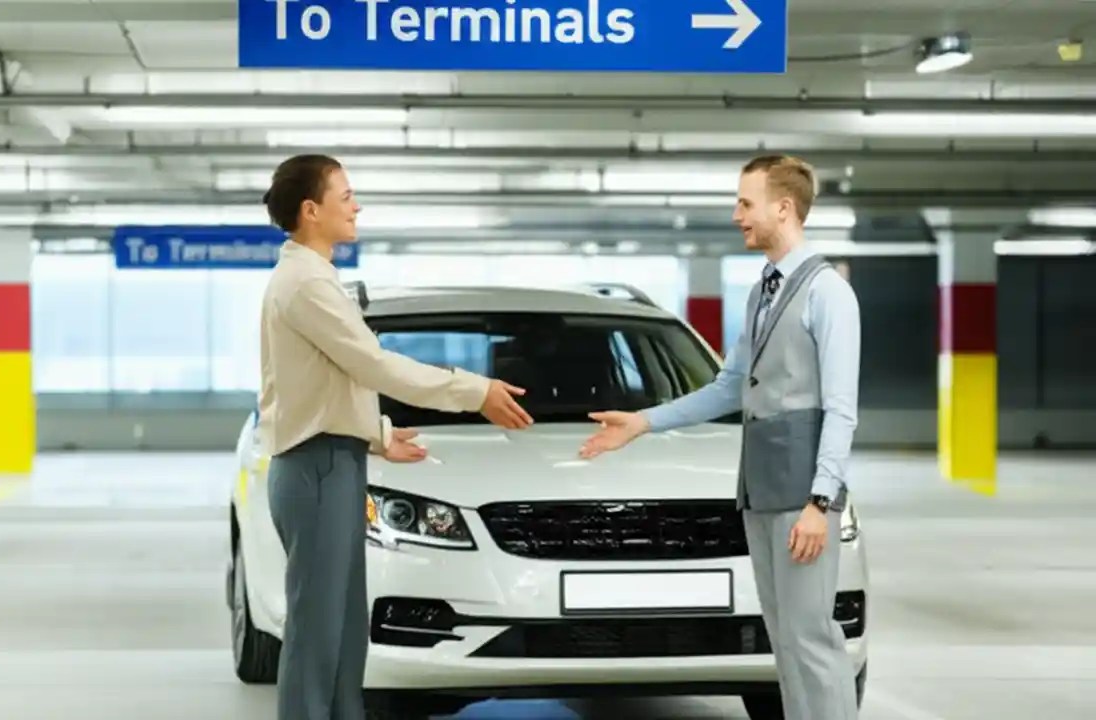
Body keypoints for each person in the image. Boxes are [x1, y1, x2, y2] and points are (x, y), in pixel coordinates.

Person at [578, 154, 862, 720]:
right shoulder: (763, 292)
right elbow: (730, 387)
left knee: (813, 640)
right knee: (785, 640)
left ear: (784, 208)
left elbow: (842, 410)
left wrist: (820, 501)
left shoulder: (828, 293)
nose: (736, 215)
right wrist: (642, 422)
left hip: (803, 495)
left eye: (745, 202)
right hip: (758, 489)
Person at [257, 153, 534, 720]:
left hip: (335, 461)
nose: (357, 206)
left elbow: (330, 380)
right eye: (346, 196)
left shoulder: (313, 277)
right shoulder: (304, 283)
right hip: (316, 468)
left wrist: (379, 435)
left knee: (343, 633)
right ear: (312, 210)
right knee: (316, 637)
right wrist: (473, 390)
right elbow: (373, 365)